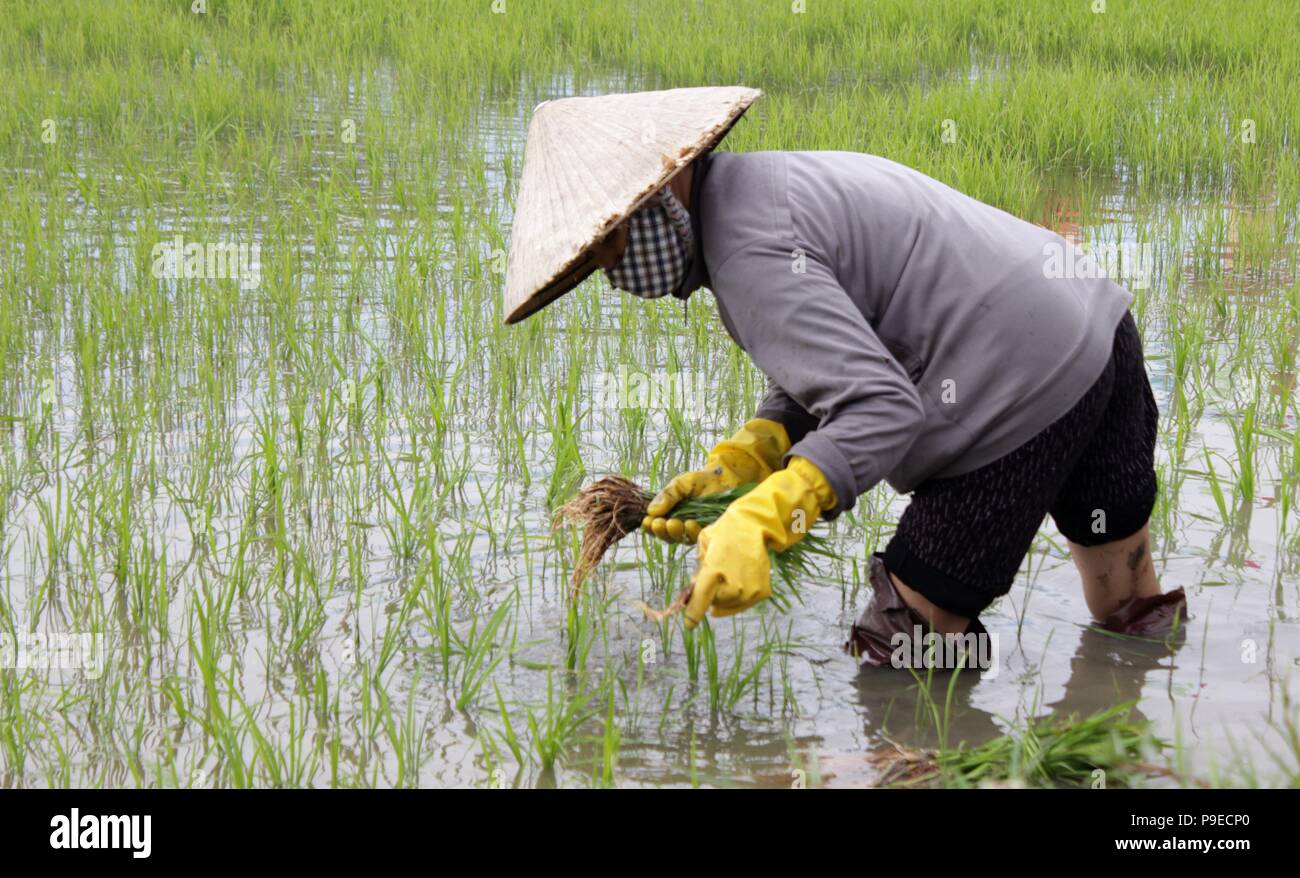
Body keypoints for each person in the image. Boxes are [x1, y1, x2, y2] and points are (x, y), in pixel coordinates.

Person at [504, 87, 1186, 668]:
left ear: (660, 191)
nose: (616, 273)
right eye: (596, 259)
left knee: (907, 654)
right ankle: (1152, 742)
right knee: (1128, 605)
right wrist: (756, 451)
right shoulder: (769, 188)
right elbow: (847, 353)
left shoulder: (749, 256)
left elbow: (883, 408)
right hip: (1095, 328)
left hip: (1018, 386)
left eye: (611, 241)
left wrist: (767, 520)